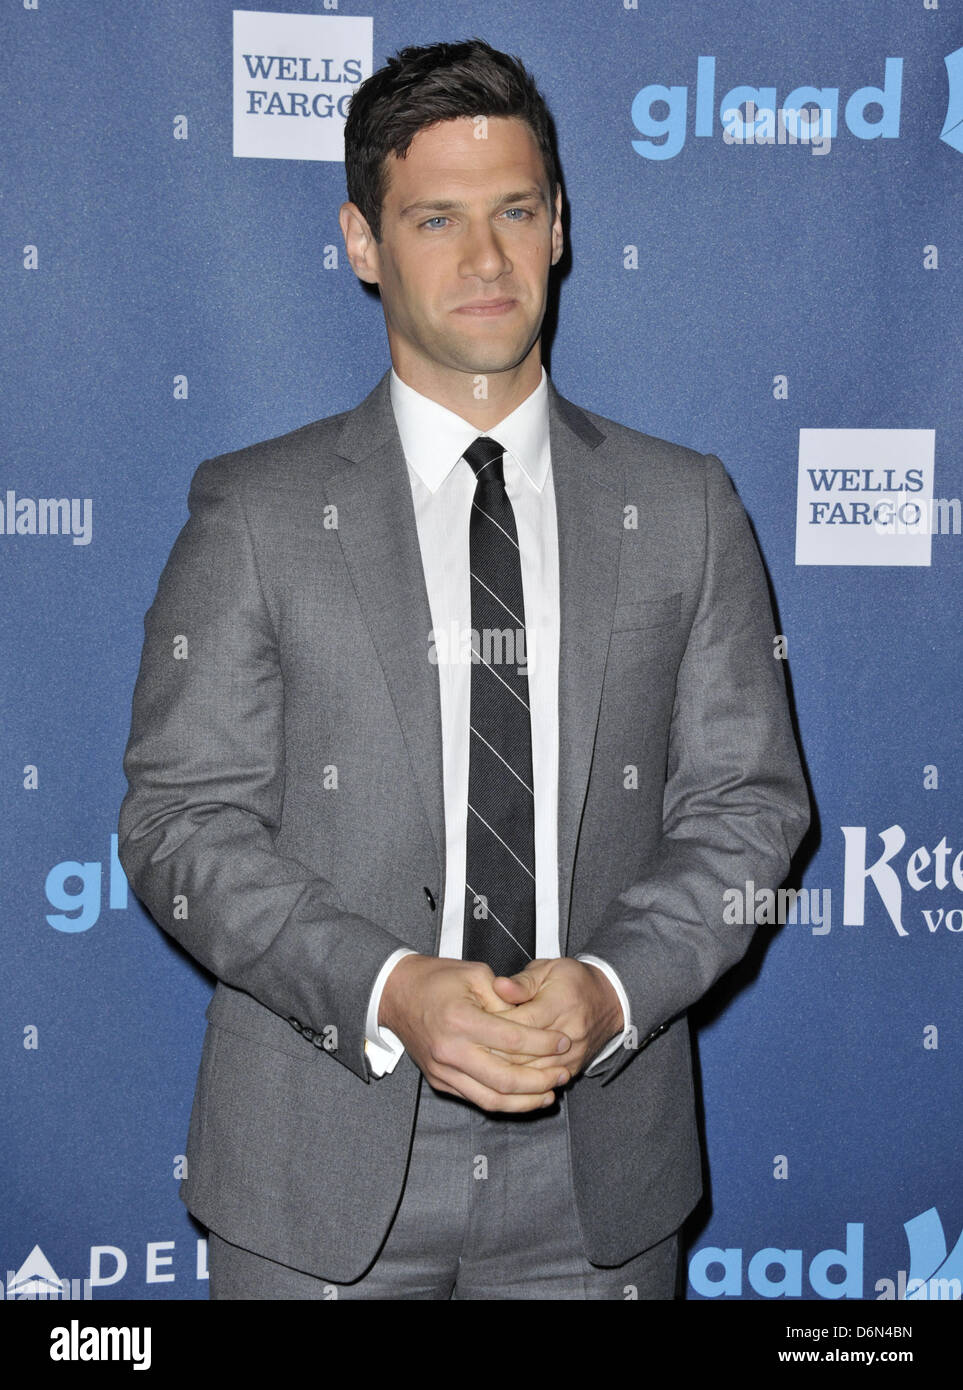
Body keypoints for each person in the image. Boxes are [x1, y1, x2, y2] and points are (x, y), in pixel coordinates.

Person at [118, 38, 809, 1300]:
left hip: (601, 1165)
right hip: (312, 1154)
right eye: (435, 218)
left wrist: (610, 989)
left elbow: (750, 808)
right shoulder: (258, 512)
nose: (485, 260)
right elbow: (178, 822)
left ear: (559, 227)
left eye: (515, 213)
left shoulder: (686, 507)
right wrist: (390, 989)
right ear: (363, 243)